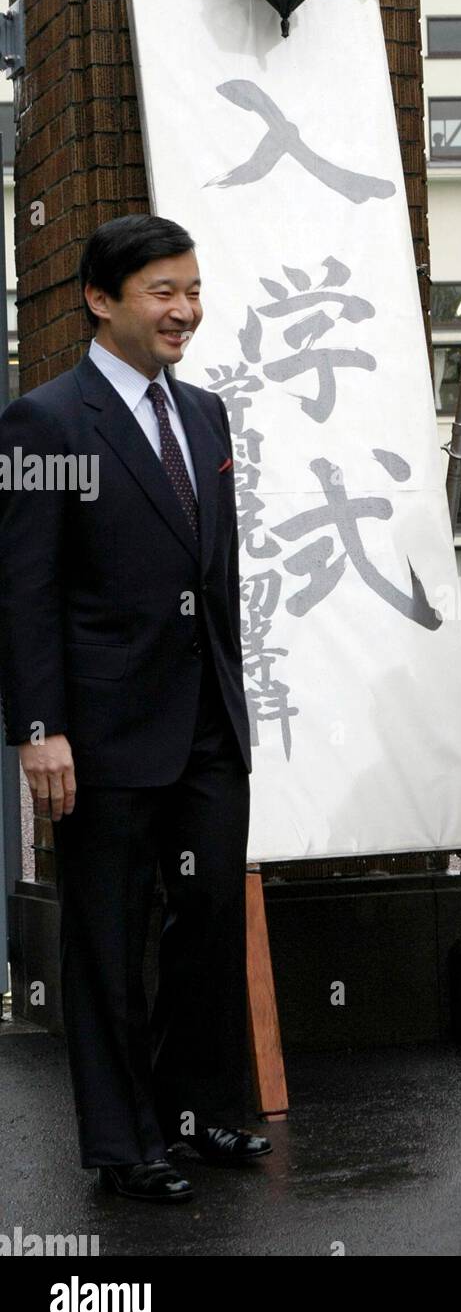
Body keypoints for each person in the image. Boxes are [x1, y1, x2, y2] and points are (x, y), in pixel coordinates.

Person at [0, 214, 271, 1202]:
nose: (185, 309)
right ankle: (123, 1143)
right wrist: (38, 727)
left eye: (193, 289)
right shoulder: (46, 423)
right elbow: (23, 591)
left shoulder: (204, 415)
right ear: (101, 300)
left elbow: (221, 578)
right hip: (101, 733)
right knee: (108, 942)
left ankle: (197, 1115)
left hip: (205, 725)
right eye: (163, 291)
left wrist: (237, 709)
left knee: (206, 921)